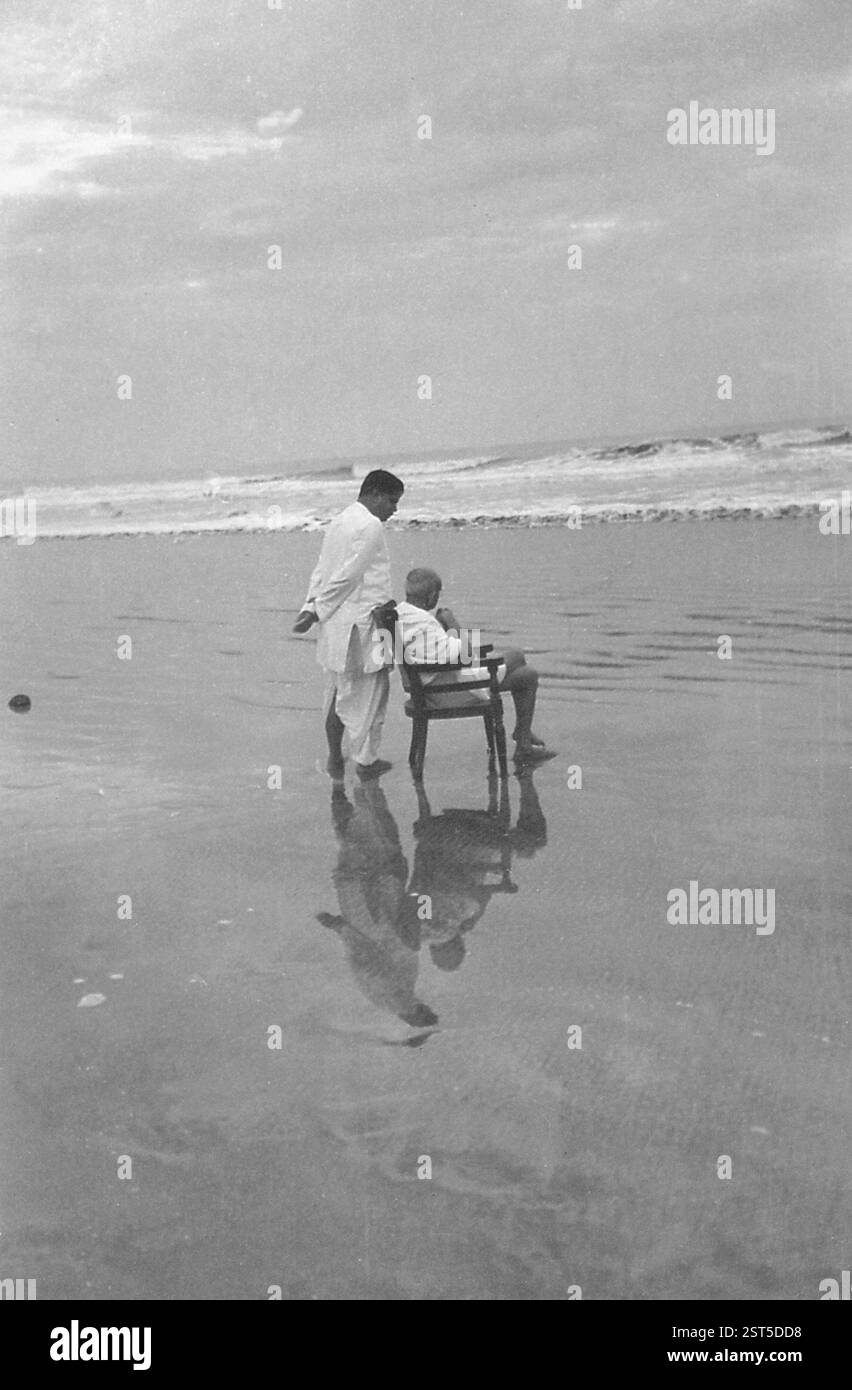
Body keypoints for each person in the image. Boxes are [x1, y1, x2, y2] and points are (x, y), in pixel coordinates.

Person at [293, 470, 404, 779]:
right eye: (392, 502)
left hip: (338, 623)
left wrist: (311, 605)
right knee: (371, 692)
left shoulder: (340, 520)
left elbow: (321, 570)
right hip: (364, 622)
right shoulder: (370, 525)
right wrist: (316, 611)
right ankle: (366, 760)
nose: (394, 510)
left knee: (340, 692)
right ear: (376, 494)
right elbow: (349, 575)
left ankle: (336, 757)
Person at [395, 567, 554, 762]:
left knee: (516, 656)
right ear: (431, 596)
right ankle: (523, 742)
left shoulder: (401, 615)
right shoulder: (424, 623)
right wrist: (451, 622)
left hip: (427, 686)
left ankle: (523, 735)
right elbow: (467, 653)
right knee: (527, 675)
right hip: (445, 692)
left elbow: (432, 651)